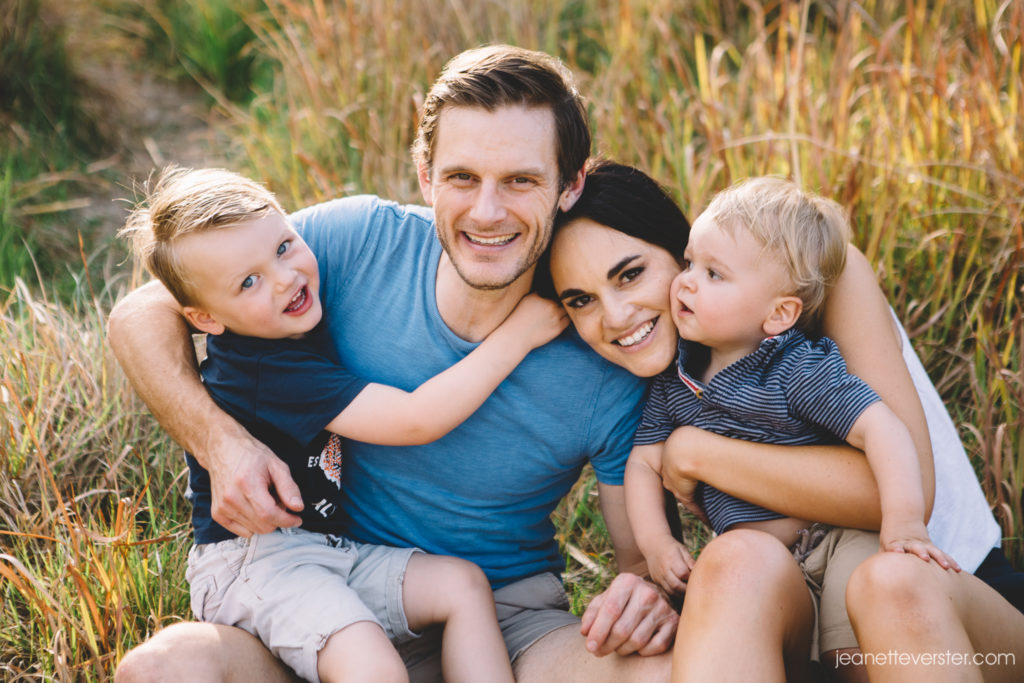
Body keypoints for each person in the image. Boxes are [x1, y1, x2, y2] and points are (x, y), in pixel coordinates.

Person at [111, 46, 678, 683]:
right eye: (463, 177)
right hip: (323, 581)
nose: (487, 212)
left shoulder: (603, 344)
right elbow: (142, 312)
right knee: (165, 669)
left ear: (569, 184)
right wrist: (219, 441)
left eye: (521, 180)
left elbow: (637, 561)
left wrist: (643, 594)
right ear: (426, 174)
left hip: (504, 618)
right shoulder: (354, 243)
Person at [546, 161, 1024, 681]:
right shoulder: (669, 370)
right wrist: (649, 576)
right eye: (580, 300)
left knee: (883, 588)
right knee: (732, 562)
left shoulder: (806, 281)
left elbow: (898, 488)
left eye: (631, 273)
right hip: (793, 602)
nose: (614, 316)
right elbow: (644, 549)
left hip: (938, 594)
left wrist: (695, 453)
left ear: (676, 249)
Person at [118, 165, 574, 682]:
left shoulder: (293, 316)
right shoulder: (265, 368)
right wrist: (518, 335)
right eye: (249, 282)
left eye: (285, 247)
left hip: (330, 548)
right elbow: (414, 419)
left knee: (462, 585)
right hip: (260, 561)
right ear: (204, 318)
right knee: (371, 666)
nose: (285, 278)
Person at [626, 175, 958, 677]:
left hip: (838, 540)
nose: (687, 281)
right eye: (691, 261)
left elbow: (882, 429)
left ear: (780, 314)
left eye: (714, 274)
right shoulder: (677, 378)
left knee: (856, 659)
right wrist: (655, 543)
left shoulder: (793, 367)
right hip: (768, 565)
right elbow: (644, 461)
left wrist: (905, 519)